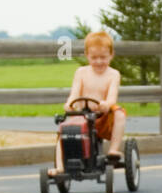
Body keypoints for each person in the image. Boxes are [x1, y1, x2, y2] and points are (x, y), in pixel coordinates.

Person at [50, 31, 126, 177]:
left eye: (103, 57)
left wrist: (106, 104)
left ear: (111, 55)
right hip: (82, 116)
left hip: (102, 116)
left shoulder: (113, 74)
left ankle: (113, 150)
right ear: (87, 55)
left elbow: (112, 98)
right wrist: (70, 104)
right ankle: (60, 167)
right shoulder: (81, 72)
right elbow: (74, 93)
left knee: (119, 113)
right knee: (63, 131)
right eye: (94, 58)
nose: (98, 62)